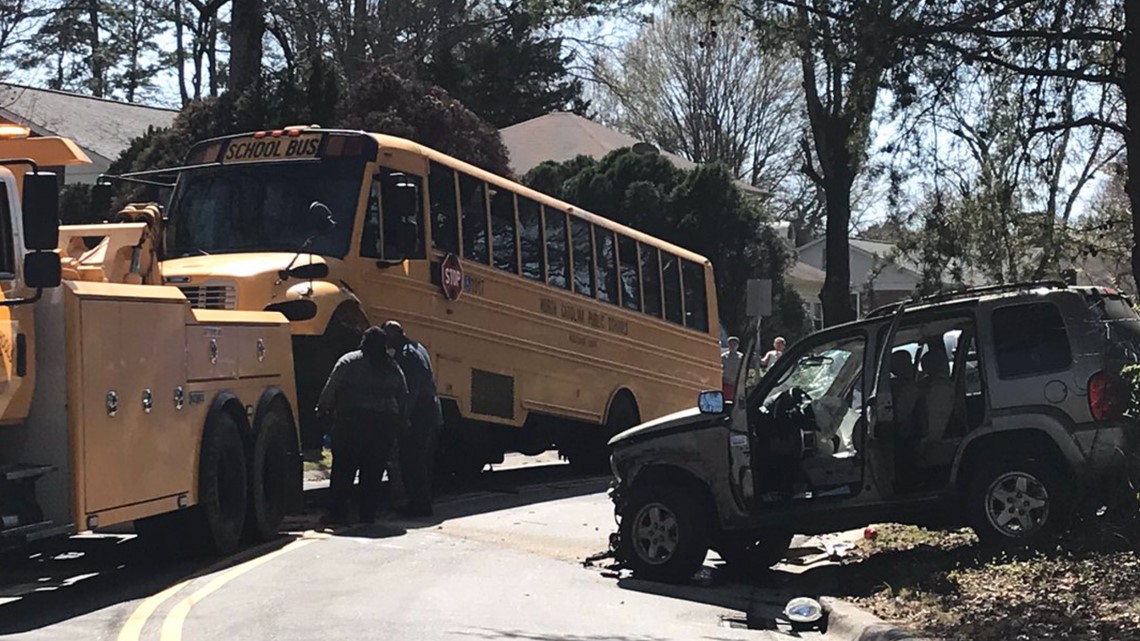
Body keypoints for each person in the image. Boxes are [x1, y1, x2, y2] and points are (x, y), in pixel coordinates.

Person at [316, 326, 408, 525]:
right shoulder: (392, 366)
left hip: (351, 422)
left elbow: (332, 386)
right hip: (383, 425)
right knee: (373, 471)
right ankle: (368, 514)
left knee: (343, 470)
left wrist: (322, 410)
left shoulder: (349, 361)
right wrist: (400, 422)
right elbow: (403, 395)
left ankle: (338, 514)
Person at [383, 320, 443, 518]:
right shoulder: (418, 348)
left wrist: (403, 418)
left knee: (411, 461)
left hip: (420, 415)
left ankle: (419, 505)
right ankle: (421, 502)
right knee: (422, 462)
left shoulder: (407, 356)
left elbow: (412, 391)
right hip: (431, 411)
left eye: (387, 337)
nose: (386, 342)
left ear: (395, 335)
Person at [721, 337, 743, 401]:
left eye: (734, 344)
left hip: (737, 384)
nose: (733, 346)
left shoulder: (741, 357)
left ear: (738, 346)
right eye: (731, 344)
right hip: (727, 383)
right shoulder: (724, 357)